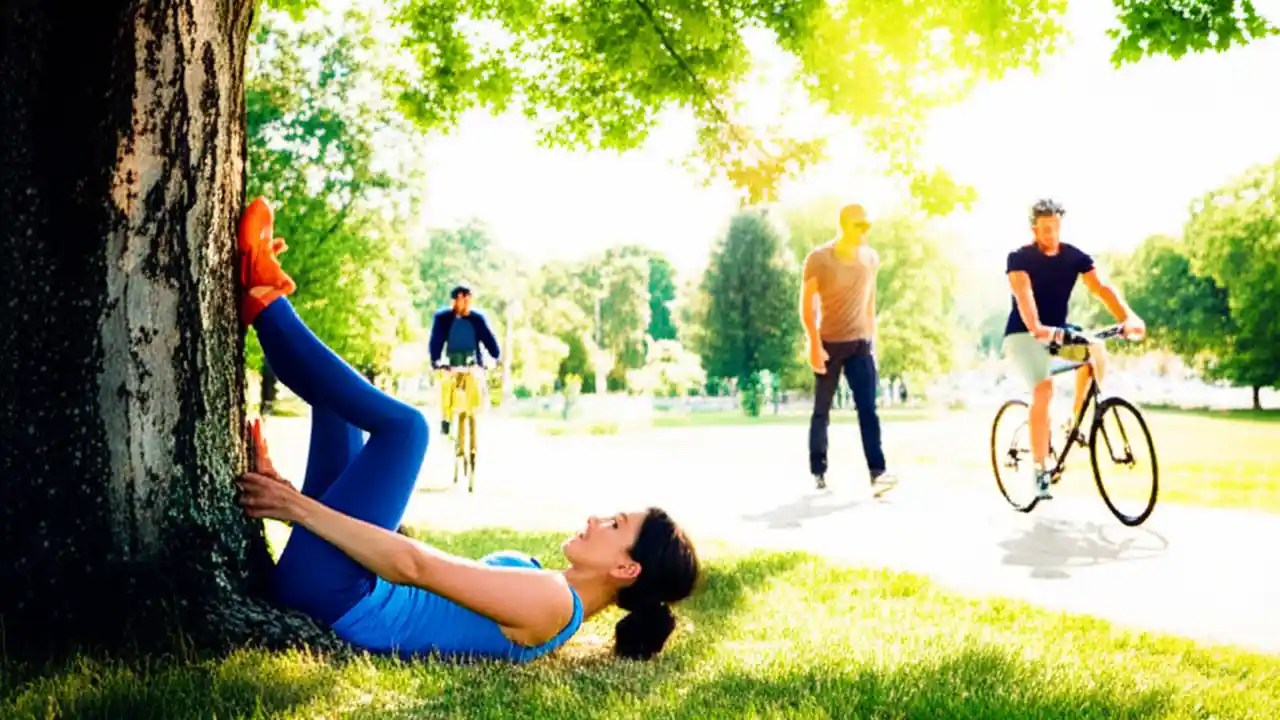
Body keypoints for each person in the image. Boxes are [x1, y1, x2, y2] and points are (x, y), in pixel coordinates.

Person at [234, 197, 700, 662]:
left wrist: (295, 506)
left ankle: (265, 296)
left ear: (626, 567)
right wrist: (299, 503)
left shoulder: (553, 603)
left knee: (408, 429)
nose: (597, 519)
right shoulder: (551, 590)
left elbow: (413, 566)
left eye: (615, 525)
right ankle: (263, 301)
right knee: (339, 403)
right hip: (338, 584)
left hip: (333, 595)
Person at [1003, 198, 1145, 500]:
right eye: (1044, 228)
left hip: (1059, 333)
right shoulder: (1019, 258)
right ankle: (1040, 470)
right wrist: (1038, 328)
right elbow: (1023, 294)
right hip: (1023, 334)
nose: (1051, 233)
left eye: (1054, 227)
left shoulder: (1073, 257)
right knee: (1043, 391)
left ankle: (1074, 419)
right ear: (1034, 230)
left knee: (1095, 349)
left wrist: (1127, 318)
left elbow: (1102, 287)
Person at [799, 203, 894, 493]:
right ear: (844, 225)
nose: (864, 231)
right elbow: (806, 304)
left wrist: (872, 341)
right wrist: (814, 344)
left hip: (860, 345)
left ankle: (878, 472)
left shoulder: (870, 258)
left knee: (868, 409)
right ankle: (819, 471)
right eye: (859, 225)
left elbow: (870, 302)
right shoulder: (819, 258)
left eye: (867, 225)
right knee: (822, 411)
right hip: (829, 344)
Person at [428, 285, 500, 436]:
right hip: (451, 362)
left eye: (467, 300)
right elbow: (436, 340)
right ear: (454, 301)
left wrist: (495, 357)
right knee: (446, 385)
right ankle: (446, 419)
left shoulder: (477, 319)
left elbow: (488, 339)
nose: (464, 304)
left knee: (476, 386)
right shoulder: (443, 319)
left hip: (472, 362)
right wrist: (436, 361)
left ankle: (475, 417)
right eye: (460, 300)